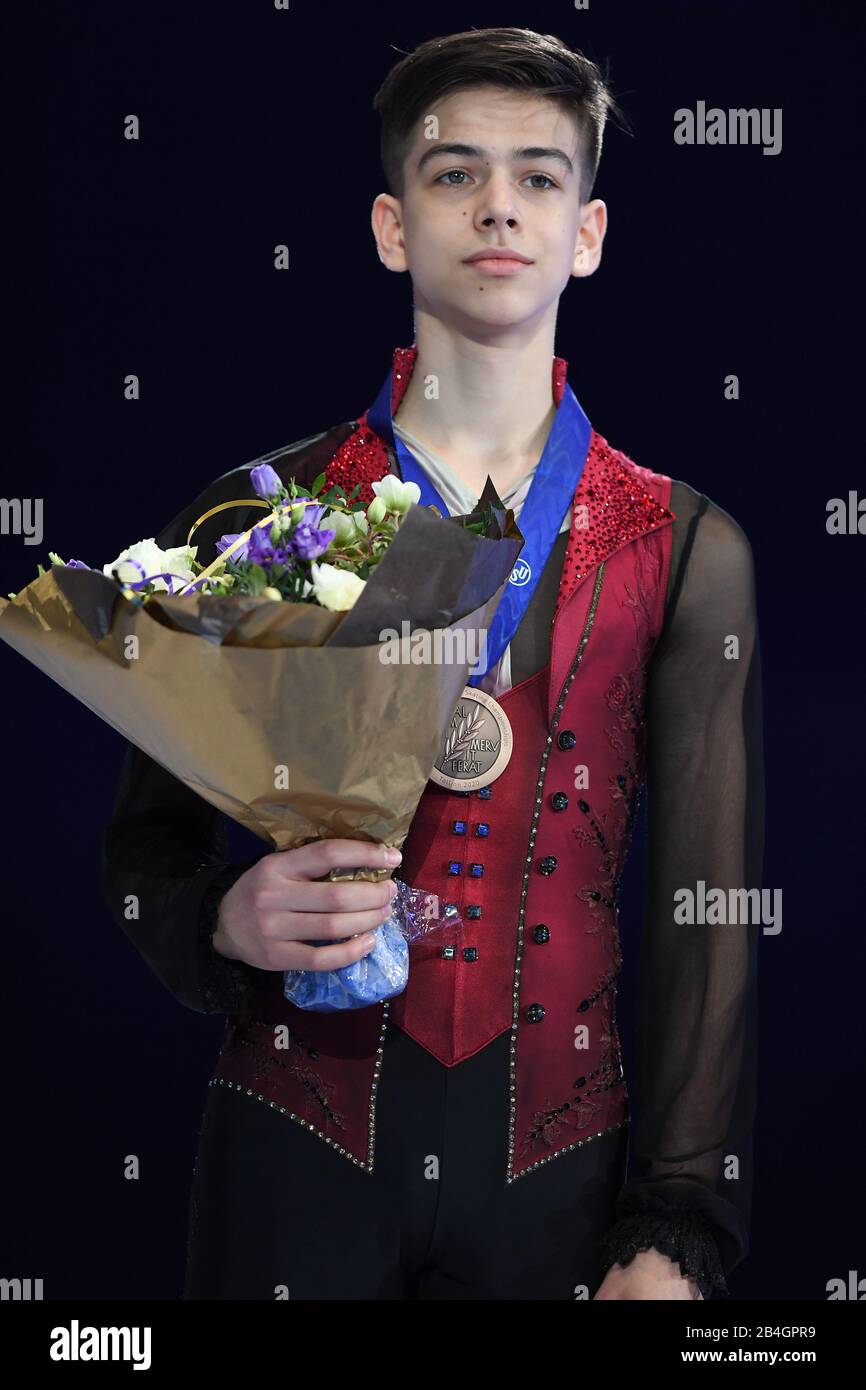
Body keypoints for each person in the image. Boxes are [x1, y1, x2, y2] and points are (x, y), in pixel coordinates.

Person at [102, 27, 763, 1301]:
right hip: (293, 1146)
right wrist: (222, 924)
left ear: (587, 232)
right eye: (454, 173)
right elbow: (143, 852)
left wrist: (677, 1222)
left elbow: (707, 914)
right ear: (392, 226)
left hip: (564, 1169)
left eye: (538, 176)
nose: (497, 204)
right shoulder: (260, 515)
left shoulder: (685, 546)